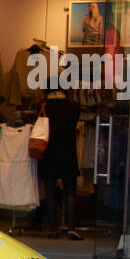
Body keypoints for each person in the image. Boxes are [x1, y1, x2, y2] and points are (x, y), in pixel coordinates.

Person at [38, 89, 82, 238]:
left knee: (49, 192)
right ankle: (71, 228)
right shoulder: (74, 106)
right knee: (70, 192)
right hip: (68, 152)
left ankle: (53, 229)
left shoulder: (44, 106)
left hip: (48, 152)